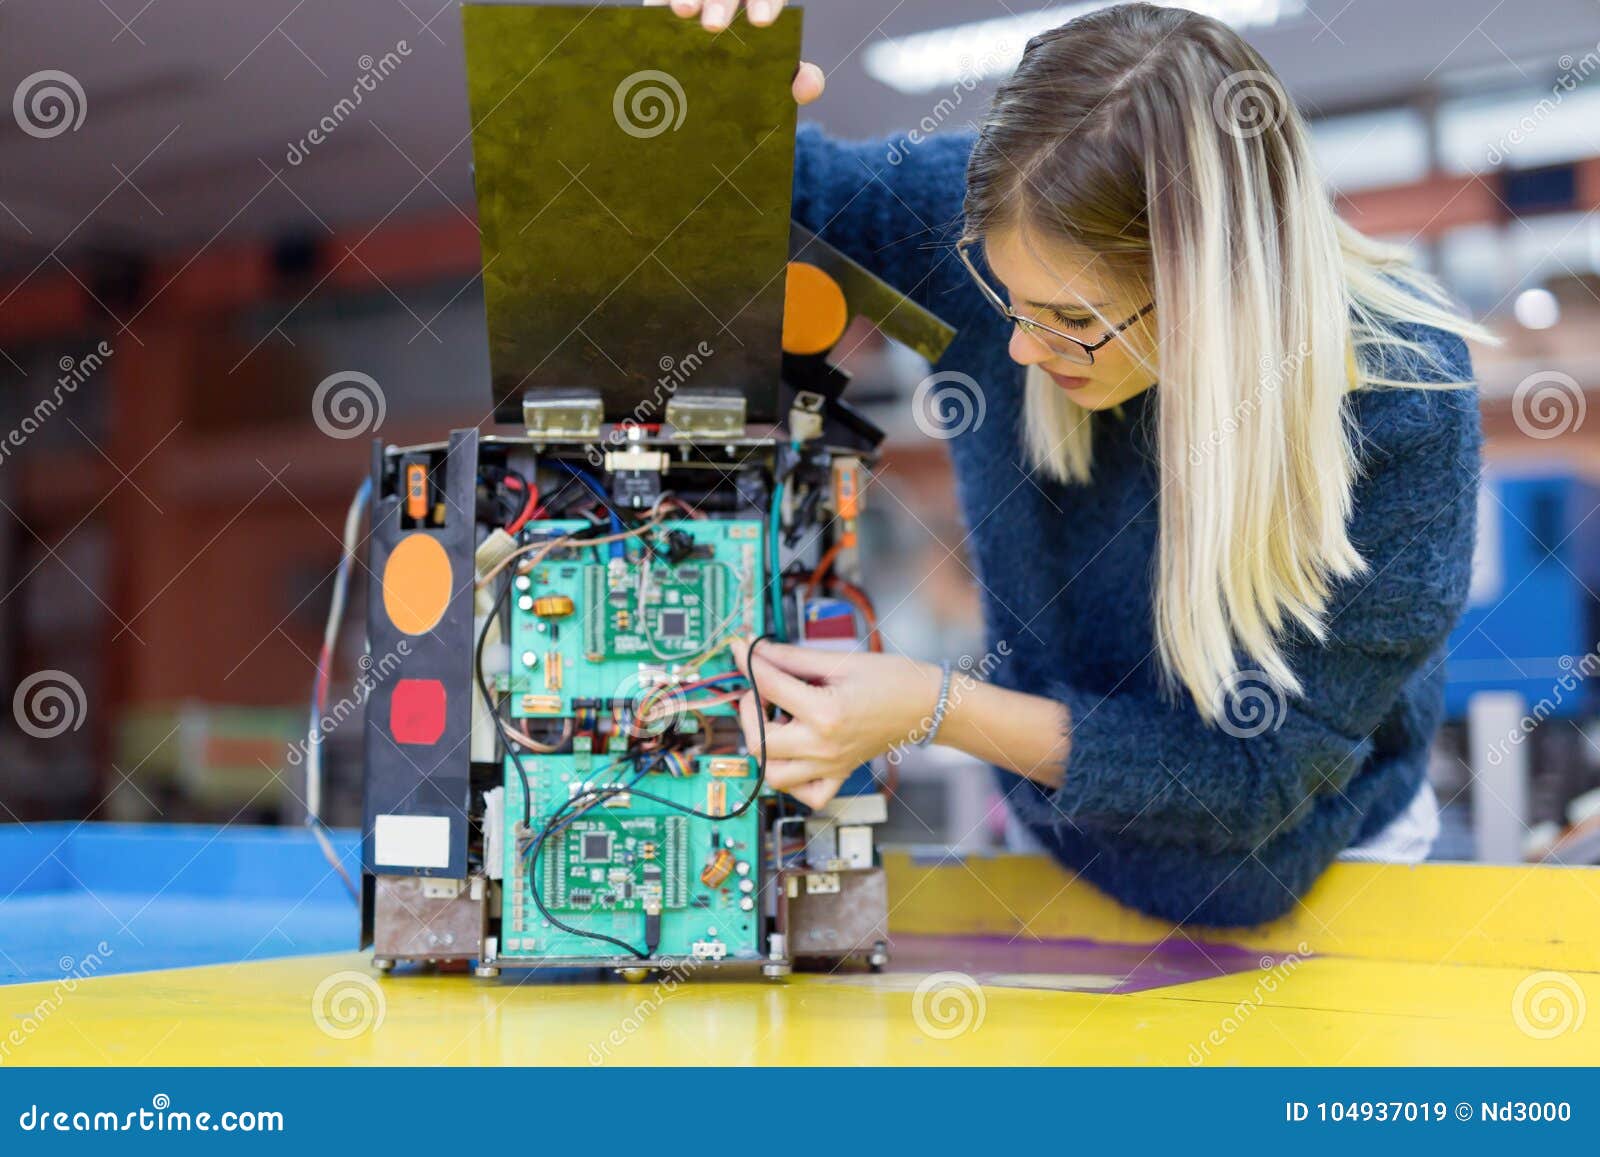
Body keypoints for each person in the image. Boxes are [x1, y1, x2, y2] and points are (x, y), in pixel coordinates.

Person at [667, 1, 1488, 925]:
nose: (1019, 349)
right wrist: (702, 87)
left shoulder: (1401, 397)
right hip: (1060, 846)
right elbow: (765, 190)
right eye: (1004, 294)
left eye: (1070, 320)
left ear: (1209, 288)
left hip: (1320, 871)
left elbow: (1257, 780)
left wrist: (939, 707)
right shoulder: (993, 226)